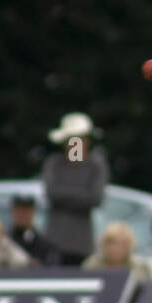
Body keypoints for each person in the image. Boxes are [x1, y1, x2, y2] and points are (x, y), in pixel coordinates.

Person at [42, 112, 108, 266]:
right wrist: (81, 193)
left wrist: (64, 194)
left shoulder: (96, 166)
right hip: (54, 243)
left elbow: (95, 198)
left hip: (82, 246)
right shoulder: (53, 163)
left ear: (86, 141)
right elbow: (51, 193)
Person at [83, 221, 152, 281]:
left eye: (122, 244)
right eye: (111, 243)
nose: (116, 249)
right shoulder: (92, 265)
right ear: (103, 244)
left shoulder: (138, 268)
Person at [9, 194, 60, 265]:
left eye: (26, 211)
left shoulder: (45, 245)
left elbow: (52, 267)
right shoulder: (5, 241)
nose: (23, 215)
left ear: (33, 213)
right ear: (13, 212)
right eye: (19, 211)